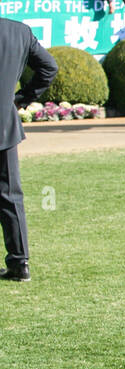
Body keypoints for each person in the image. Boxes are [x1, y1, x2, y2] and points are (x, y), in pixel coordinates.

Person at [0, 16, 58, 282]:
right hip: (5, 125)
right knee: (11, 195)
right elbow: (48, 67)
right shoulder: (19, 31)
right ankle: (20, 262)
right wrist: (21, 99)